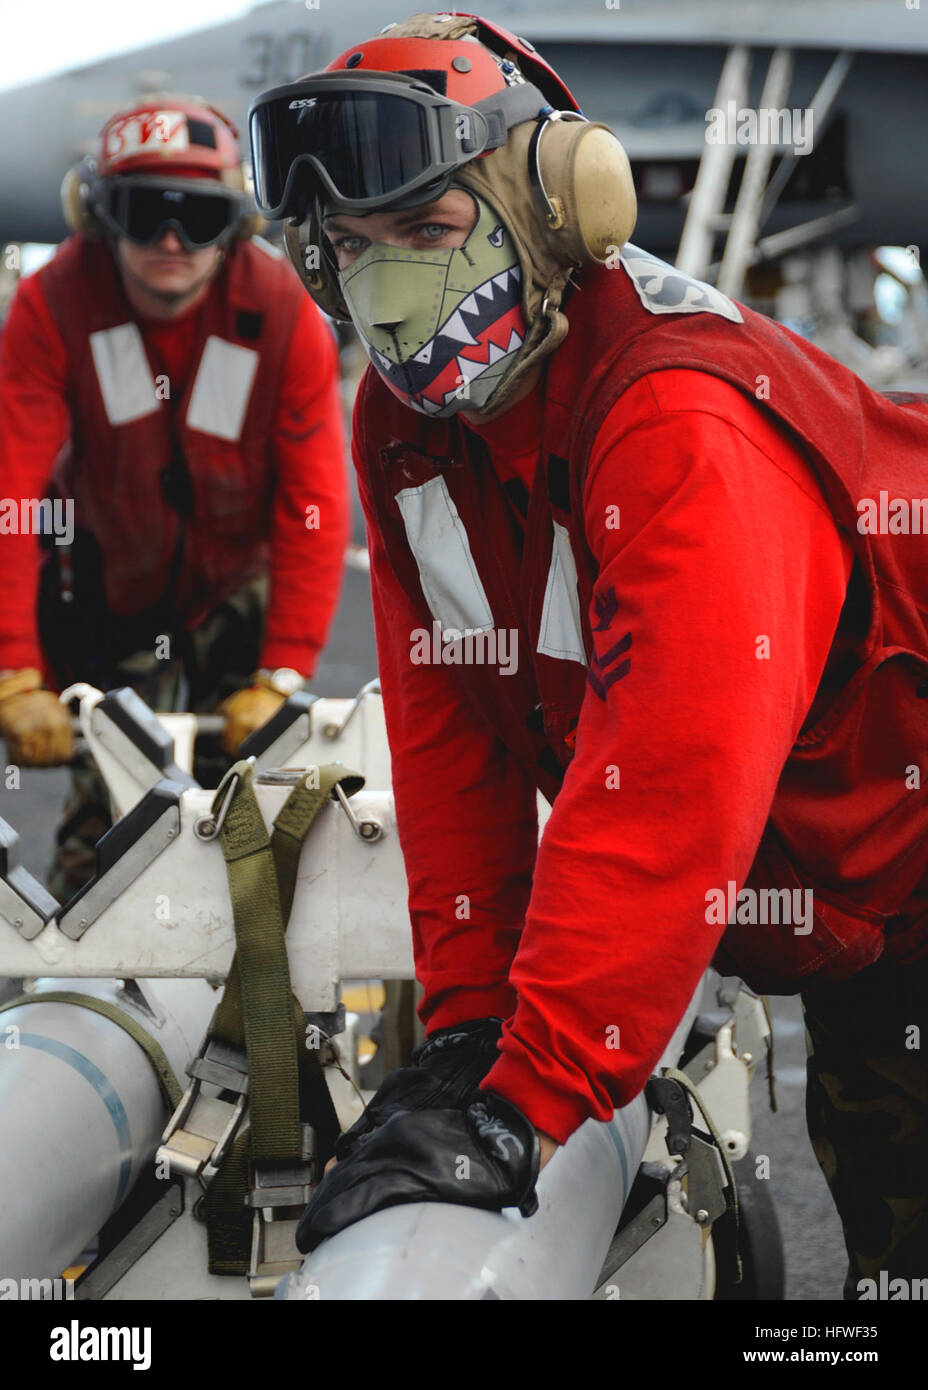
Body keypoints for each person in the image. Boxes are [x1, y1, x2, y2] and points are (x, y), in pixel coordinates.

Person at [250, 13, 928, 1292]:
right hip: (835, 891)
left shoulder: (678, 421)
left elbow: (669, 786)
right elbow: (450, 734)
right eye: (347, 247)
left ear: (554, 210)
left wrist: (534, 1097)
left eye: (425, 231)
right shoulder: (408, 430)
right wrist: (469, 1034)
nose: (380, 287)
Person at [0, 95, 349, 900]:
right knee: (112, 816)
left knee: (255, 818)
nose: (167, 243)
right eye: (140, 212)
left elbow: (315, 505)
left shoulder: (285, 314)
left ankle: (254, 993)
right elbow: (15, 494)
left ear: (234, 225)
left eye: (195, 217)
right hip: (108, 592)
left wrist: (283, 673)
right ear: (95, 217)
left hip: (238, 591)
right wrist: (18, 674)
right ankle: (91, 984)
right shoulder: (54, 303)